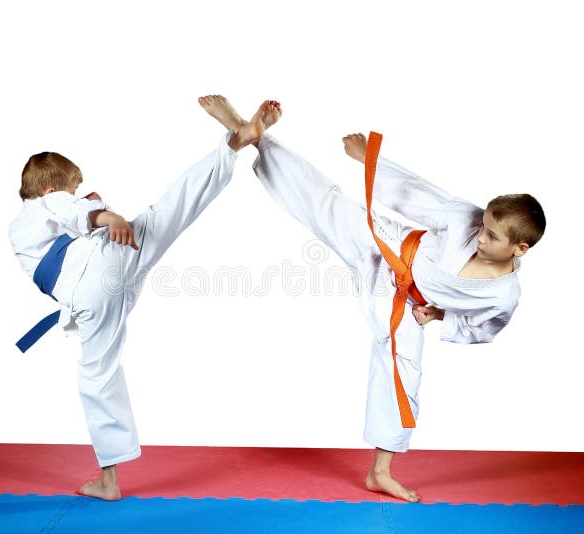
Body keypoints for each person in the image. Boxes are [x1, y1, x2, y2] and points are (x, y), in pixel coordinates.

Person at [206, 100, 545, 502]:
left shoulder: (504, 296)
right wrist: (368, 157)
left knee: (403, 376)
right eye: (484, 224)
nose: (480, 233)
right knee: (325, 201)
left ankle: (380, 472)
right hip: (387, 246)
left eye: (491, 235)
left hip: (406, 301)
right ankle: (257, 139)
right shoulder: (467, 219)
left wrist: (439, 315)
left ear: (519, 247)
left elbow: (483, 328)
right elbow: (420, 194)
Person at [8, 95, 279, 500]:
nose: (74, 194)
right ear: (48, 188)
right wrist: (104, 215)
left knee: (98, 376)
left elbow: (72, 212)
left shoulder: (23, 229)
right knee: (170, 208)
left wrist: (101, 213)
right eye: (71, 188)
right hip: (105, 260)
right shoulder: (43, 204)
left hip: (92, 287)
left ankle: (109, 480)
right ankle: (232, 145)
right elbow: (66, 207)